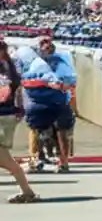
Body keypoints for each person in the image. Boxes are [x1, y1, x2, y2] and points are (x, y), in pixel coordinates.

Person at [20, 37, 76, 173]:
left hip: (58, 101)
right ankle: (37, 159)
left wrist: (59, 86)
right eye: (44, 45)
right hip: (40, 102)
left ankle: (63, 162)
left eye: (49, 45)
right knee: (37, 131)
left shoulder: (62, 62)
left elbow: (71, 82)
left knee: (61, 132)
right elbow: (25, 81)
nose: (47, 47)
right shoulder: (32, 64)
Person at [0, 44, 38, 202]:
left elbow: (6, 94)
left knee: (5, 160)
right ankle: (27, 191)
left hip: (3, 117)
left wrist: (18, 110)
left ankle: (28, 192)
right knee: (5, 159)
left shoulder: (4, 72)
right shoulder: (9, 68)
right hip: (8, 116)